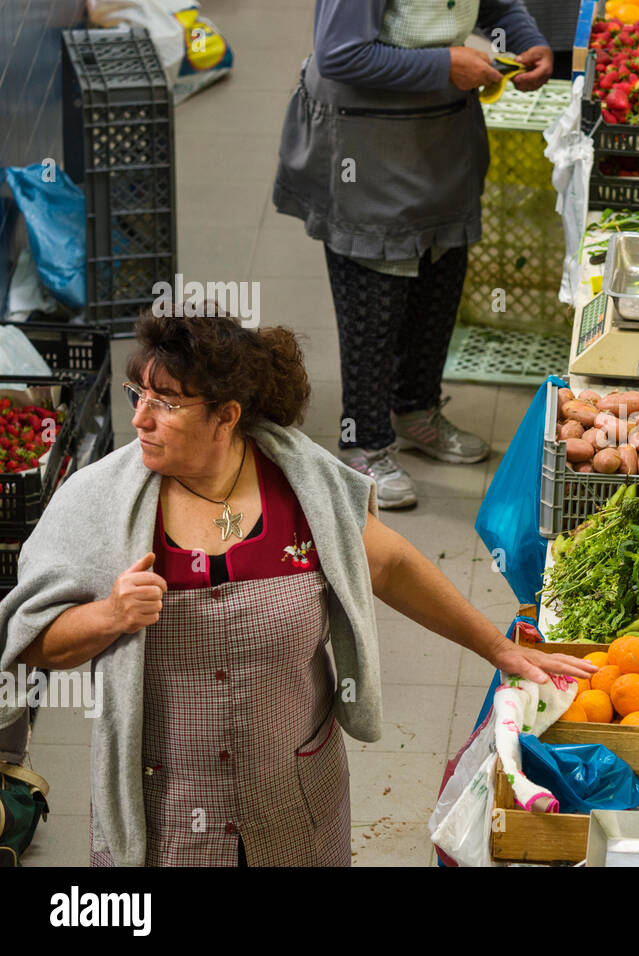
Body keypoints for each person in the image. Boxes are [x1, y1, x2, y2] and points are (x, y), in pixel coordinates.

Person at [0, 314, 594, 867]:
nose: (140, 419)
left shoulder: (301, 485)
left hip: (292, 795)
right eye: (139, 396)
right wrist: (110, 615)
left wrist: (497, 647)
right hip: (166, 809)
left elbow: (390, 567)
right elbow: (31, 642)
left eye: (166, 403)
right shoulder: (97, 502)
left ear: (226, 416)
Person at [273, 0, 554, 509]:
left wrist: (524, 37)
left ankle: (416, 409)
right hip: (368, 143)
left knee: (439, 278)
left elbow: (497, 4)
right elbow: (340, 54)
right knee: (374, 300)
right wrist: (445, 65)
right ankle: (363, 440)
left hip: (440, 137)